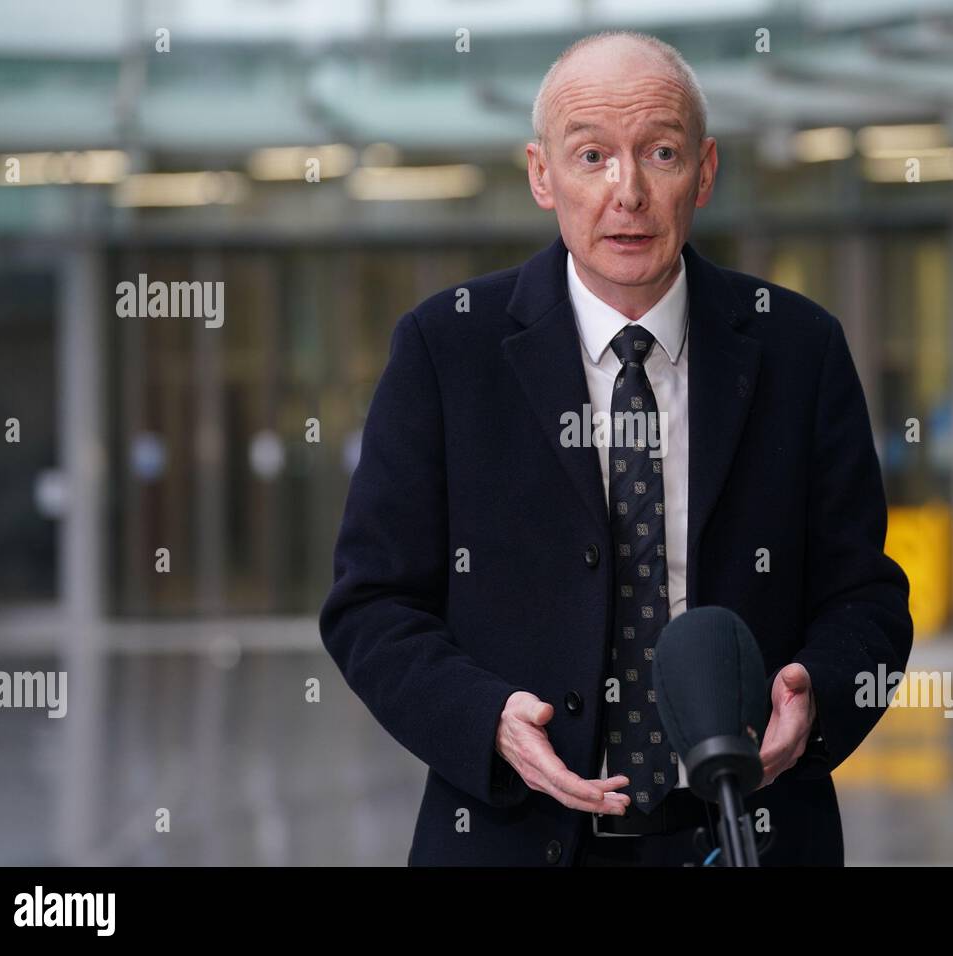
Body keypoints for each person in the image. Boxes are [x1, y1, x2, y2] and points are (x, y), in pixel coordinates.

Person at [319, 30, 912, 867]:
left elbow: (868, 599)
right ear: (540, 174)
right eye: (591, 155)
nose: (625, 191)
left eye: (660, 153)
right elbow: (370, 606)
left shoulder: (799, 349)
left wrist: (817, 696)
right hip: (511, 838)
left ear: (704, 173)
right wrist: (485, 720)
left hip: (754, 835)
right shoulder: (445, 350)